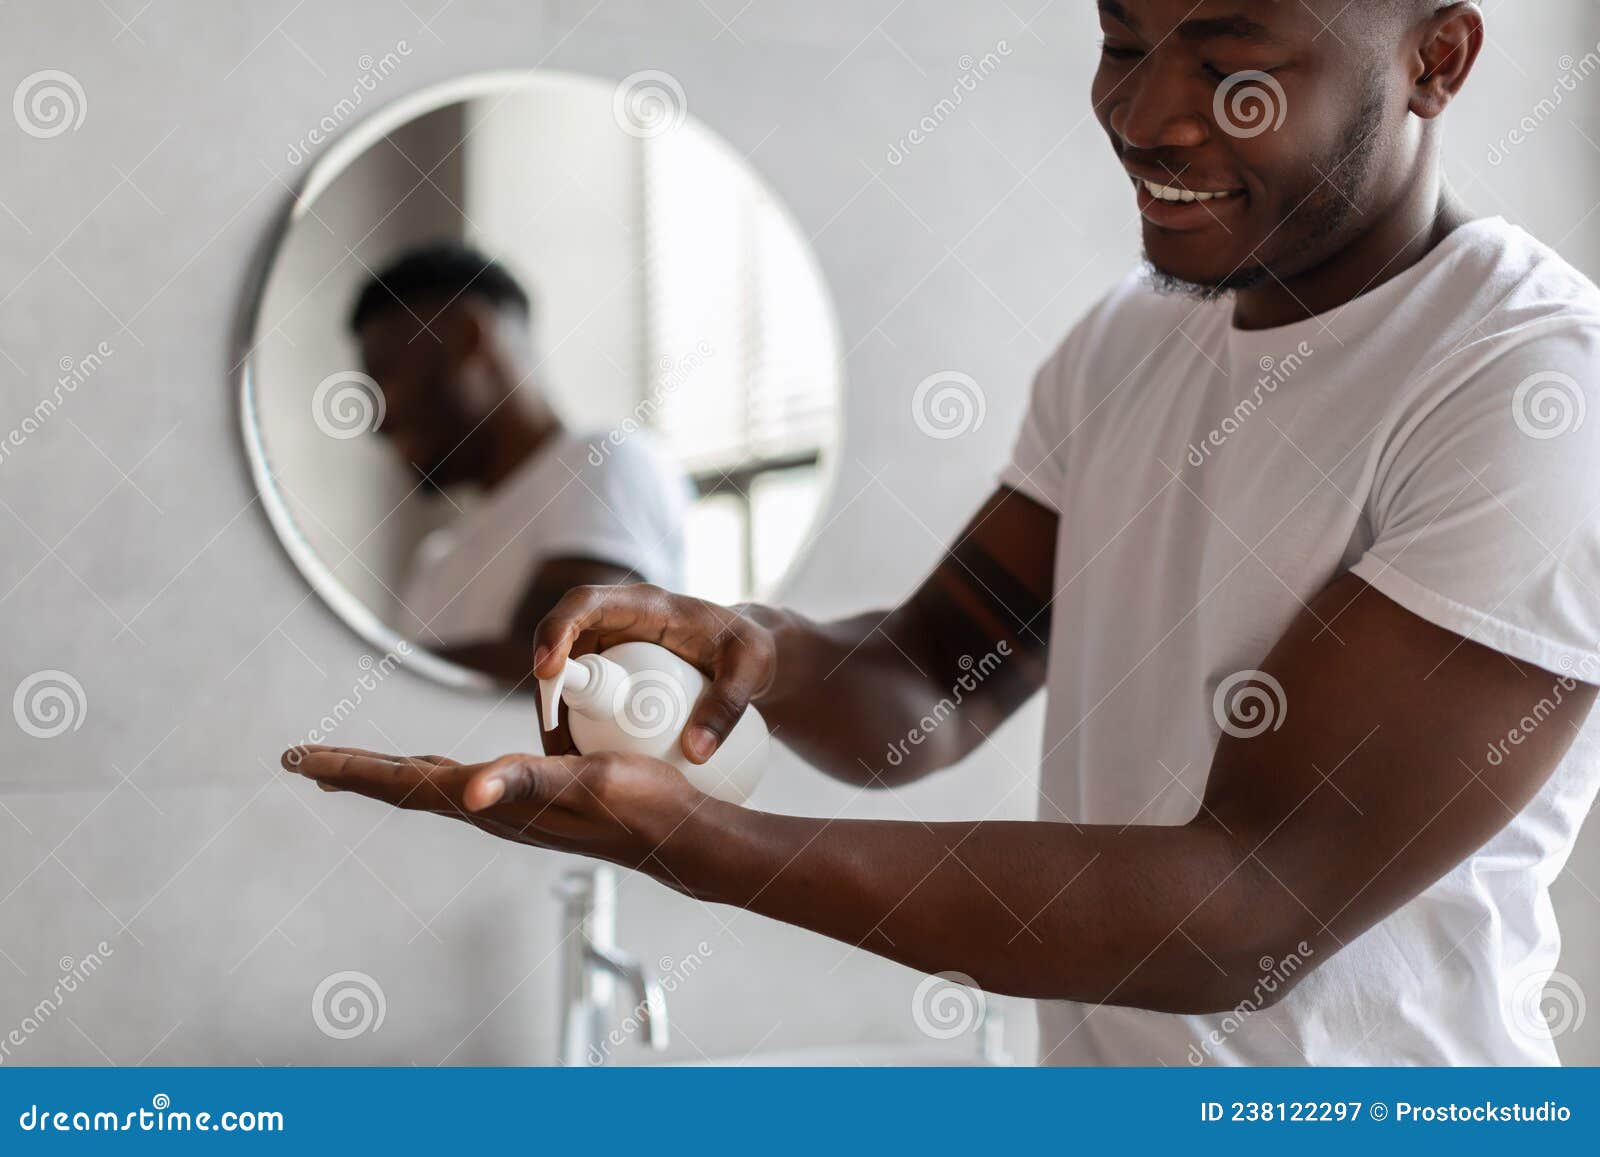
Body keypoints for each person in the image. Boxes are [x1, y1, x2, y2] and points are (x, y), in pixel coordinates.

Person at [287, 1, 1600, 1065]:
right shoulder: (1131, 338)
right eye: (1122, 41)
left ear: (1437, 60)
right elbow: (933, 679)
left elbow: (1254, 904)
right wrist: (760, 648)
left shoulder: (1533, 387)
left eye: (1228, 65)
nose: (1143, 115)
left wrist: (709, 847)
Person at [349, 242, 690, 683]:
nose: (377, 422)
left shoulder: (605, 460)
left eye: (384, 375)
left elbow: (566, 661)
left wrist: (352, 669)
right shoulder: (436, 561)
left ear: (466, 337)